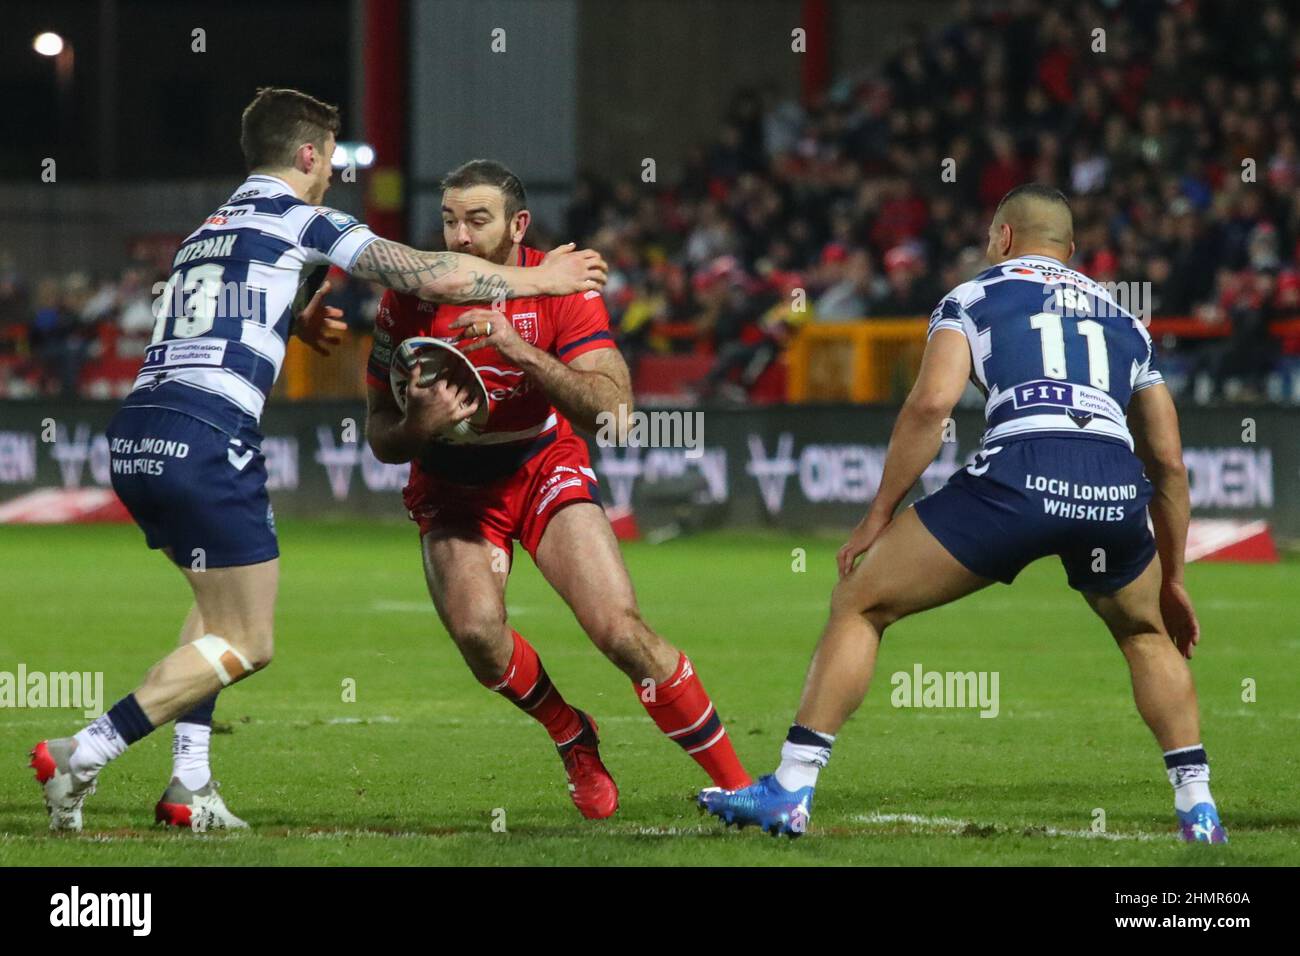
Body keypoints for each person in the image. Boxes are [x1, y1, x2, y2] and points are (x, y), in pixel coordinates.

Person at [31, 88, 606, 832]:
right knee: (247, 640)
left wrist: (294, 317)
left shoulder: (207, 230)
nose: (335, 171)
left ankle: (190, 784)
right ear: (306, 156)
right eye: (331, 157)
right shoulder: (302, 217)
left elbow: (218, 304)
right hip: (209, 435)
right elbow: (428, 275)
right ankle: (82, 752)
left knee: (213, 613)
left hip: (138, 431)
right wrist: (540, 280)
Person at [698, 184, 1227, 844]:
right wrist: (1172, 577)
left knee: (862, 601)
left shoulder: (973, 296)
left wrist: (878, 513)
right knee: (1146, 634)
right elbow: (1170, 462)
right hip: (1113, 486)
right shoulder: (1125, 320)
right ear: (1071, 249)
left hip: (1019, 475)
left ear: (1004, 238)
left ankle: (791, 787)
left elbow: (930, 407)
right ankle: (1199, 809)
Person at [364, 159, 751, 819]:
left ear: (519, 224)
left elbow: (615, 415)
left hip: (541, 463)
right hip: (453, 486)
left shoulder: (561, 286)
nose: (458, 236)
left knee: (620, 631)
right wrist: (416, 425)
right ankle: (570, 731)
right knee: (481, 639)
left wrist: (523, 352)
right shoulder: (412, 295)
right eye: (450, 220)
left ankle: (746, 791)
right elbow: (378, 434)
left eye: (477, 220)